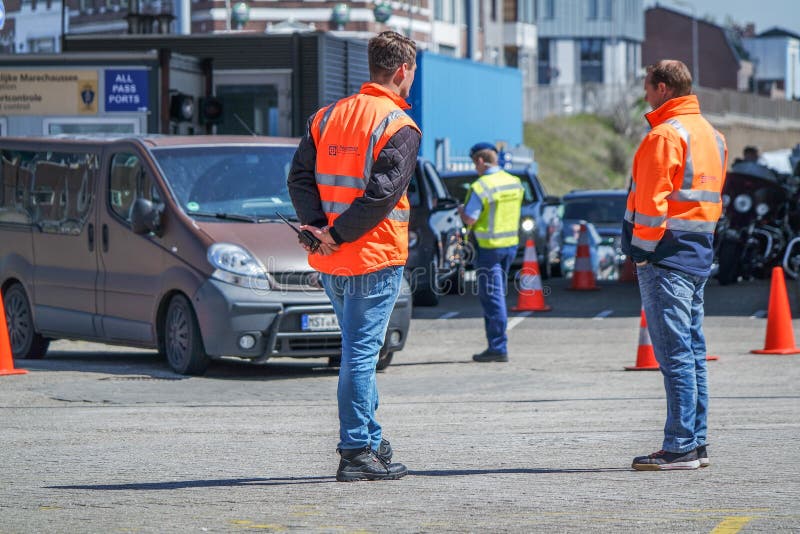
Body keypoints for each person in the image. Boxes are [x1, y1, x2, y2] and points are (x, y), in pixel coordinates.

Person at [287, 30, 420, 482]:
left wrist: (319, 231)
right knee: (361, 357)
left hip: (333, 261)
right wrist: (337, 234)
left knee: (356, 353)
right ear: (402, 70)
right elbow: (382, 197)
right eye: (413, 72)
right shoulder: (398, 126)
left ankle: (372, 439)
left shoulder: (326, 117)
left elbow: (299, 178)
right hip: (372, 258)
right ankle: (356, 450)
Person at [622, 60, 728, 471]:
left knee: (675, 353)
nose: (645, 95)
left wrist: (643, 252)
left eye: (648, 87)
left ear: (662, 88)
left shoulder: (665, 135)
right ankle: (695, 442)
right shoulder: (712, 135)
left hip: (665, 257)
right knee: (693, 351)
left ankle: (680, 444)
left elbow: (651, 204)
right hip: (697, 252)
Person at [458, 143, 524, 363]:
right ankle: (497, 345)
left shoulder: (481, 186)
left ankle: (497, 347)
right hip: (510, 246)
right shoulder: (514, 183)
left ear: (479, 161)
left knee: (493, 298)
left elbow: (471, 219)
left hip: (489, 249)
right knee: (498, 295)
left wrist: (461, 212)